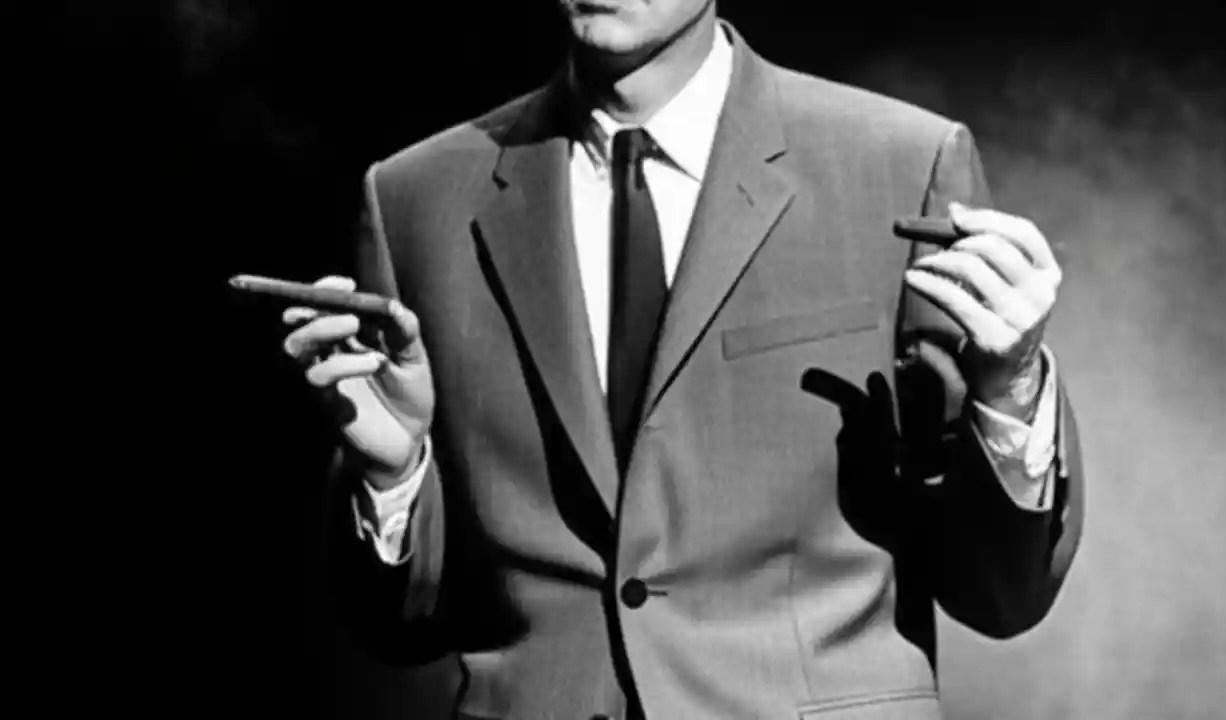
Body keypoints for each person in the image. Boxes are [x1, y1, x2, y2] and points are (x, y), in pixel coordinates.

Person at [281, 1, 1084, 718]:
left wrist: (1008, 389)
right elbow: (396, 626)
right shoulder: (418, 197)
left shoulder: (900, 163)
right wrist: (393, 479)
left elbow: (1000, 594)